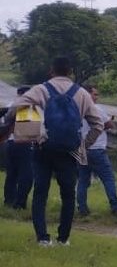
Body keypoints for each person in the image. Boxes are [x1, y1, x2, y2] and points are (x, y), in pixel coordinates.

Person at [0, 57, 104, 246]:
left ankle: (42, 238)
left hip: (44, 147)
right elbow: (98, 125)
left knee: (40, 192)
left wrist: (9, 120)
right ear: (70, 72)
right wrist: (83, 145)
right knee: (68, 194)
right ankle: (63, 239)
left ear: (51, 71)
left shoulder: (40, 90)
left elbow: (15, 106)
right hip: (70, 149)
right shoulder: (81, 93)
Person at [76, 84, 117, 218]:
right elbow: (109, 124)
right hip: (96, 149)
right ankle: (116, 206)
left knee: (83, 180)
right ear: (87, 94)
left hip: (82, 149)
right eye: (95, 94)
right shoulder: (96, 109)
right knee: (108, 178)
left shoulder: (77, 110)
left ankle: (82, 209)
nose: (97, 97)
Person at [3, 86, 34, 210]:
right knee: (26, 174)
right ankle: (20, 203)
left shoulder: (12, 105)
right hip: (24, 142)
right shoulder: (29, 105)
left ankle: (9, 201)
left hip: (10, 142)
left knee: (12, 173)